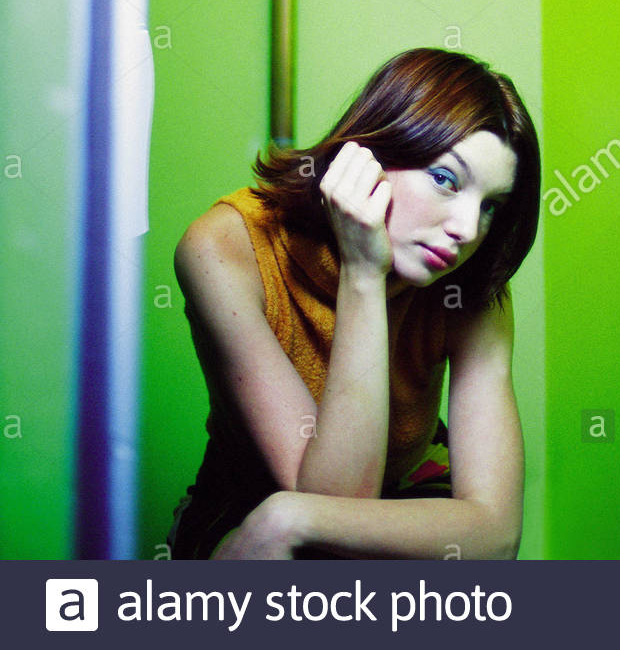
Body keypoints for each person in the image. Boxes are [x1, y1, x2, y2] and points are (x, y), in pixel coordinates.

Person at [165, 46, 540, 560]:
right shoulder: (226, 247)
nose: (467, 229)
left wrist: (289, 517)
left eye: (491, 206)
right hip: (246, 505)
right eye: (445, 180)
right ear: (370, 154)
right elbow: (332, 502)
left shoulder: (472, 281)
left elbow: (496, 535)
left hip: (401, 500)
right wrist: (365, 273)